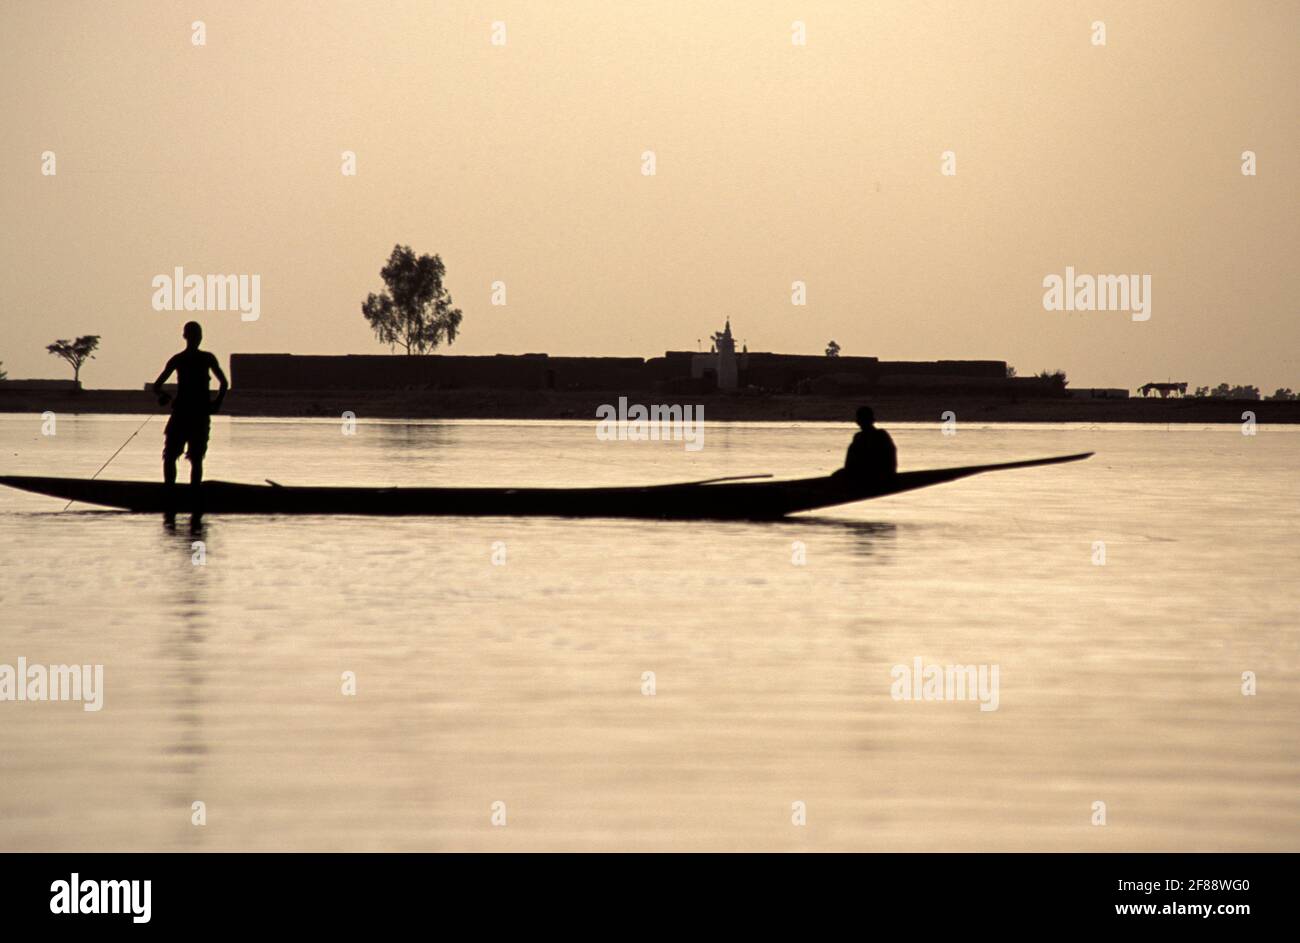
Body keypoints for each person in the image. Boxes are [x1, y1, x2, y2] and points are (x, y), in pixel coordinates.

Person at [152, 321, 228, 487]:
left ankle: (181, 492)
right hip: (185, 414)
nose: (196, 339)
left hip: (194, 414)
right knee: (177, 456)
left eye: (196, 336)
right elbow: (156, 387)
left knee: (190, 457)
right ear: (187, 337)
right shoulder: (183, 359)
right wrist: (163, 395)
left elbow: (224, 383)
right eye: (194, 335)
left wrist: (217, 404)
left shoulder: (200, 358)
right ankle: (176, 492)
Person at [837, 406, 896, 481]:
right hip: (864, 473)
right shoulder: (858, 436)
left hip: (875, 474)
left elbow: (889, 457)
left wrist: (889, 475)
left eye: (862, 420)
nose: (860, 423)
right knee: (838, 474)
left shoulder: (880, 435)